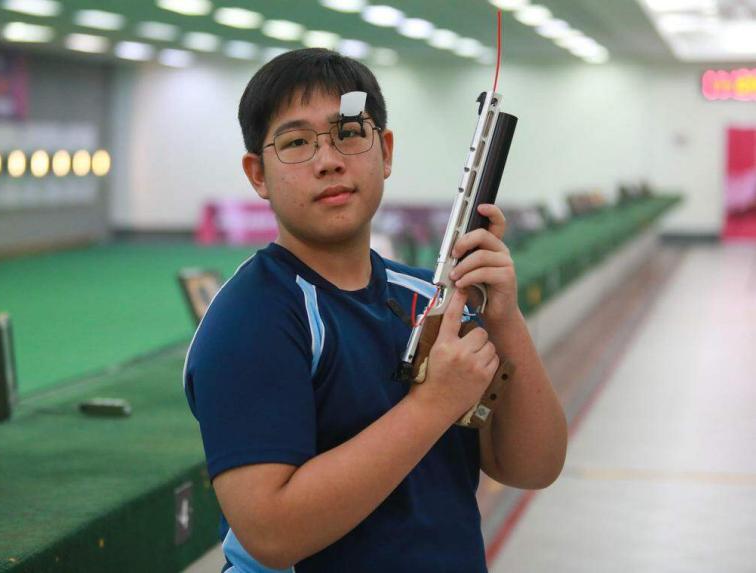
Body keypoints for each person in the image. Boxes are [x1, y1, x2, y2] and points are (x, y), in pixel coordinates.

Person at [184, 48, 567, 572]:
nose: (328, 159)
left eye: (348, 132)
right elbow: (271, 532)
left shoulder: (427, 299)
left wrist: (503, 316)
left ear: (384, 151)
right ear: (258, 174)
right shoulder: (253, 317)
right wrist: (432, 405)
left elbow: (533, 465)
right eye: (296, 142)